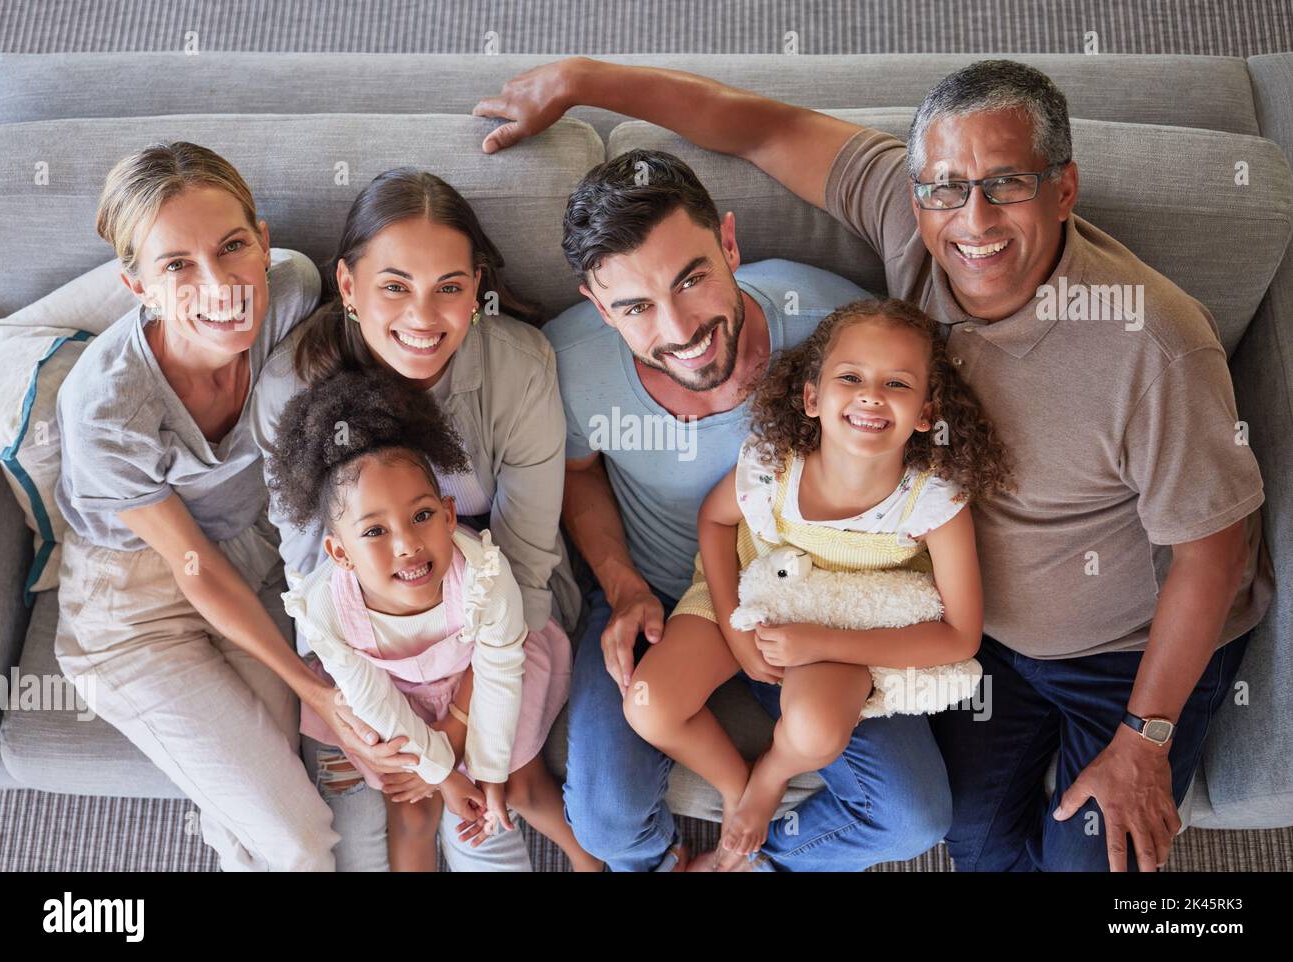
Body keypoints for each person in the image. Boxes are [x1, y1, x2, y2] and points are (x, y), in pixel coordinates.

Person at [475, 57, 1270, 871]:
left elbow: (1215, 553)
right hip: (963, 646)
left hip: (1120, 649)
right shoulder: (915, 221)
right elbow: (763, 125)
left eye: (1008, 184)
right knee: (978, 845)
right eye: (948, 188)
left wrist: (1146, 736)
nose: (973, 220)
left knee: (1073, 857)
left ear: (1064, 189)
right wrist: (582, 79)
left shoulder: (1154, 344)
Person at [539, 149, 954, 871]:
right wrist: (621, 582)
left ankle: (753, 858)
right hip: (663, 592)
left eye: (692, 279)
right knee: (605, 829)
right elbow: (579, 474)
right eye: (635, 307)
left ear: (730, 243)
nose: (679, 329)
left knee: (913, 817)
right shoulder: (569, 363)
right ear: (599, 306)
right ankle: (671, 858)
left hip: (815, 592)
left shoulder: (833, 330)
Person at [252, 166, 580, 871]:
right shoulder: (291, 388)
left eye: (450, 289)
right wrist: (385, 728)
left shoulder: (519, 368)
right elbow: (312, 568)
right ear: (347, 287)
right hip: (368, 626)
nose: (424, 320)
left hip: (491, 611)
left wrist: (459, 726)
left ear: (477, 287)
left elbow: (523, 562)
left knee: (485, 804)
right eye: (395, 286)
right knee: (403, 795)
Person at [627, 298, 1011, 869]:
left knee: (816, 727)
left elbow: (960, 636)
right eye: (850, 377)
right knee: (648, 706)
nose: (871, 396)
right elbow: (715, 520)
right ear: (812, 397)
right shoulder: (773, 464)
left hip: (846, 629)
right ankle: (741, 790)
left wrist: (820, 642)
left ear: (927, 411)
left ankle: (772, 776)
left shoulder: (934, 502)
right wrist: (736, 632)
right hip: (753, 596)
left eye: (897, 384)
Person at [53, 141, 343, 870]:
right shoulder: (105, 407)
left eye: (233, 246)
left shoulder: (295, 294)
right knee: (304, 840)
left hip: (251, 558)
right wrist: (314, 687)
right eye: (177, 265)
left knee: (261, 813)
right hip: (135, 605)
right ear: (137, 285)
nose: (222, 286)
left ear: (264, 241)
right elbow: (188, 565)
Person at [264, 368, 600, 872]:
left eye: (421, 516)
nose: (406, 545)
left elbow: (501, 667)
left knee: (519, 782)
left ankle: (591, 863)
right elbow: (372, 699)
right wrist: (443, 773)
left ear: (447, 514)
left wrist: (485, 771)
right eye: (374, 531)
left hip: (484, 675)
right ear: (341, 553)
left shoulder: (483, 573)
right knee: (412, 810)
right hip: (394, 696)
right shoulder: (327, 608)